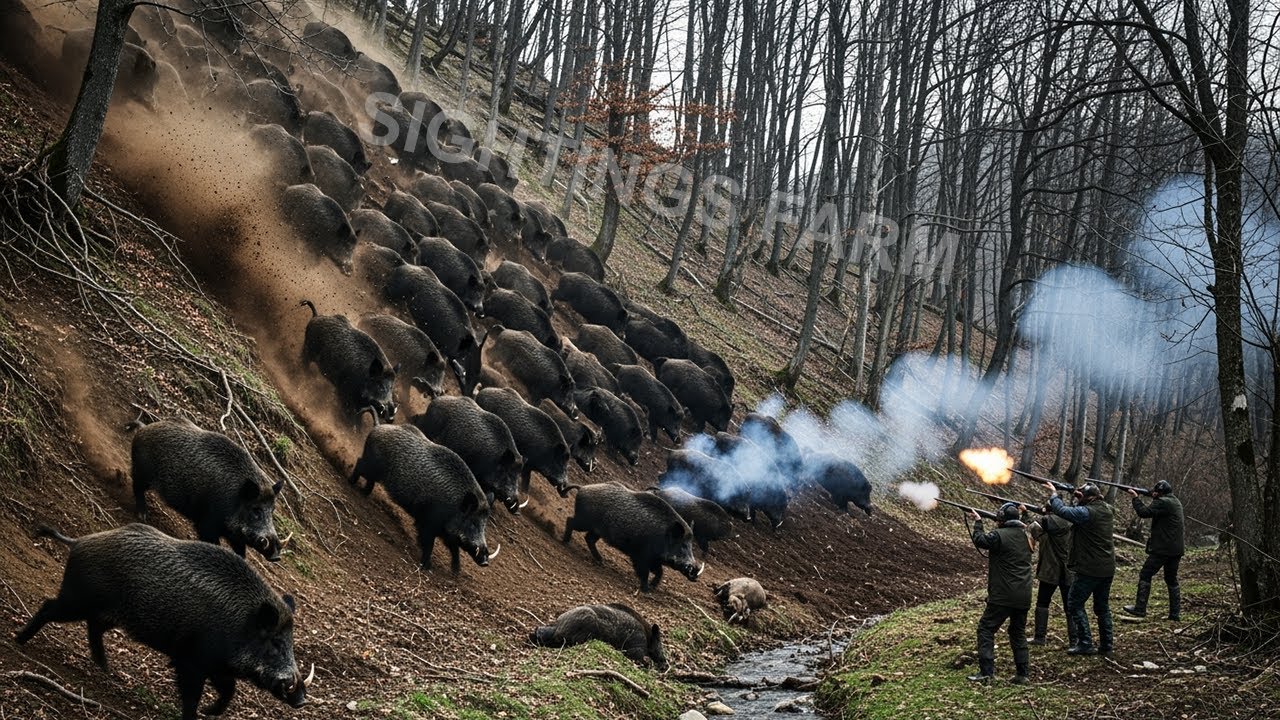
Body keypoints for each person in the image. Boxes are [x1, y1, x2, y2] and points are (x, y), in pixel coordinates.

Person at [1044, 481, 1115, 656]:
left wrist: (1054, 495)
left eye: (1081, 496)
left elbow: (1063, 511)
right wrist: (1076, 495)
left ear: (1088, 498)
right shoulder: (1106, 508)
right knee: (1102, 607)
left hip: (1090, 568)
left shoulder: (1088, 512)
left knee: (1074, 604)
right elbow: (1074, 511)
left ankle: (1085, 643)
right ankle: (1107, 645)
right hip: (1106, 567)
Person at [967, 502, 1034, 684]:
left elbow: (980, 540)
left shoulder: (998, 535)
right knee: (1017, 632)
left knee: (986, 629)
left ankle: (987, 673)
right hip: (1024, 594)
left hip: (1003, 594)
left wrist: (978, 522)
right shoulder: (1025, 536)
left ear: (1001, 519)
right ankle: (1023, 674)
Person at [1124, 480, 1185, 620]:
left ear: (1160, 493)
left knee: (1145, 574)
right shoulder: (1174, 500)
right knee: (1171, 579)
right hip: (1175, 548)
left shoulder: (1162, 502)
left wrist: (1135, 498)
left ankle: (1140, 608)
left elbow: (1143, 513)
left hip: (1163, 548)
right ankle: (1175, 614)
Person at [1028, 506, 1074, 647]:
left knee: (1042, 603)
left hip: (1050, 571)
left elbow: (1032, 529)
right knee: (1070, 606)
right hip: (1068, 571)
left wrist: (1025, 514)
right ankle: (1075, 639)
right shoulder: (1070, 524)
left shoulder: (1046, 528)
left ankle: (1040, 637)